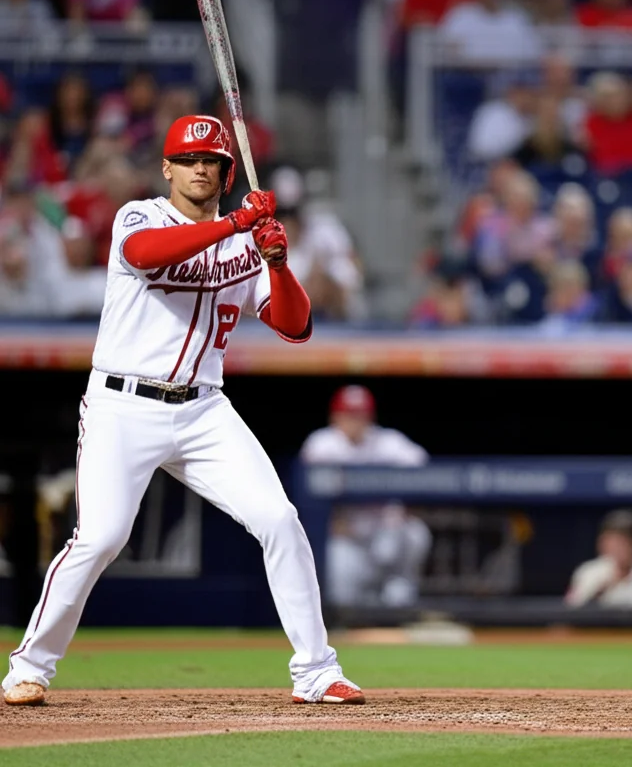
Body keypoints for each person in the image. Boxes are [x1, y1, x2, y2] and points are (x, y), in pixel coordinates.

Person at [2, 115, 364, 707]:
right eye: (190, 160)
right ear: (167, 168)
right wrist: (238, 223)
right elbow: (147, 256)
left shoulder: (242, 238)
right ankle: (30, 666)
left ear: (226, 172)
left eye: (213, 162)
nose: (202, 169)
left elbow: (295, 327)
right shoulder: (140, 216)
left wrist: (275, 261)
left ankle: (317, 672)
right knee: (99, 538)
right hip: (124, 403)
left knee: (278, 519)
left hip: (204, 410)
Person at [300, 385, 432, 608]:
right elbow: (307, 495)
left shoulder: (387, 441)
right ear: (336, 417)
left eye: (360, 415)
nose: (355, 421)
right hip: (348, 539)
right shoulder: (323, 444)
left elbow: (425, 470)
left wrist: (405, 509)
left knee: (416, 533)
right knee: (343, 592)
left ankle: (400, 594)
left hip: (385, 534)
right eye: (349, 415)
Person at [564, 509, 632, 609]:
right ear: (602, 542)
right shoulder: (589, 571)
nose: (620, 546)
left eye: (626, 540)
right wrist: (600, 590)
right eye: (614, 540)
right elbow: (569, 612)